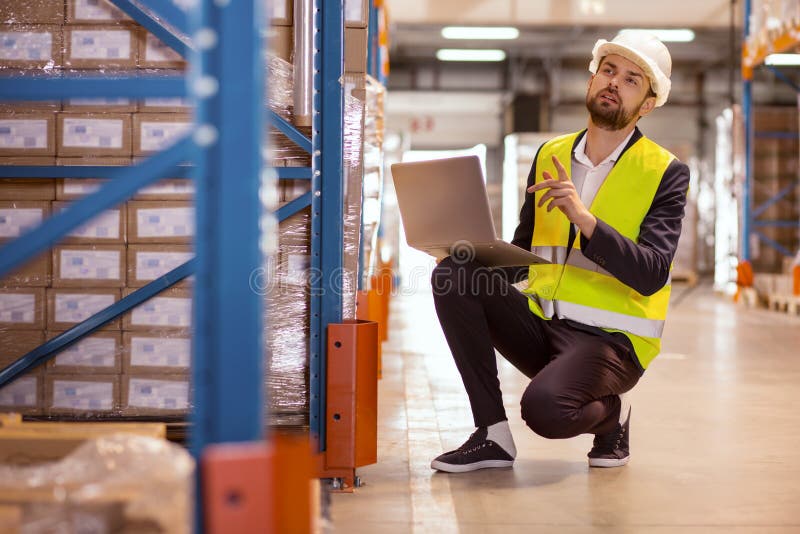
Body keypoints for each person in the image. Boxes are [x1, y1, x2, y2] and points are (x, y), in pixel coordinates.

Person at [429, 30, 690, 472]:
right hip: (543, 321)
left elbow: (651, 273)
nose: (613, 82)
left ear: (647, 104)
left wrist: (585, 220)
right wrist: (466, 255)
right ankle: (491, 434)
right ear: (591, 80)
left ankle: (611, 419)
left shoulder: (665, 172)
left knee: (547, 411)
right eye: (608, 71)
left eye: (631, 80)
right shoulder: (551, 153)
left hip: (612, 343)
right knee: (453, 274)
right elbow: (526, 251)